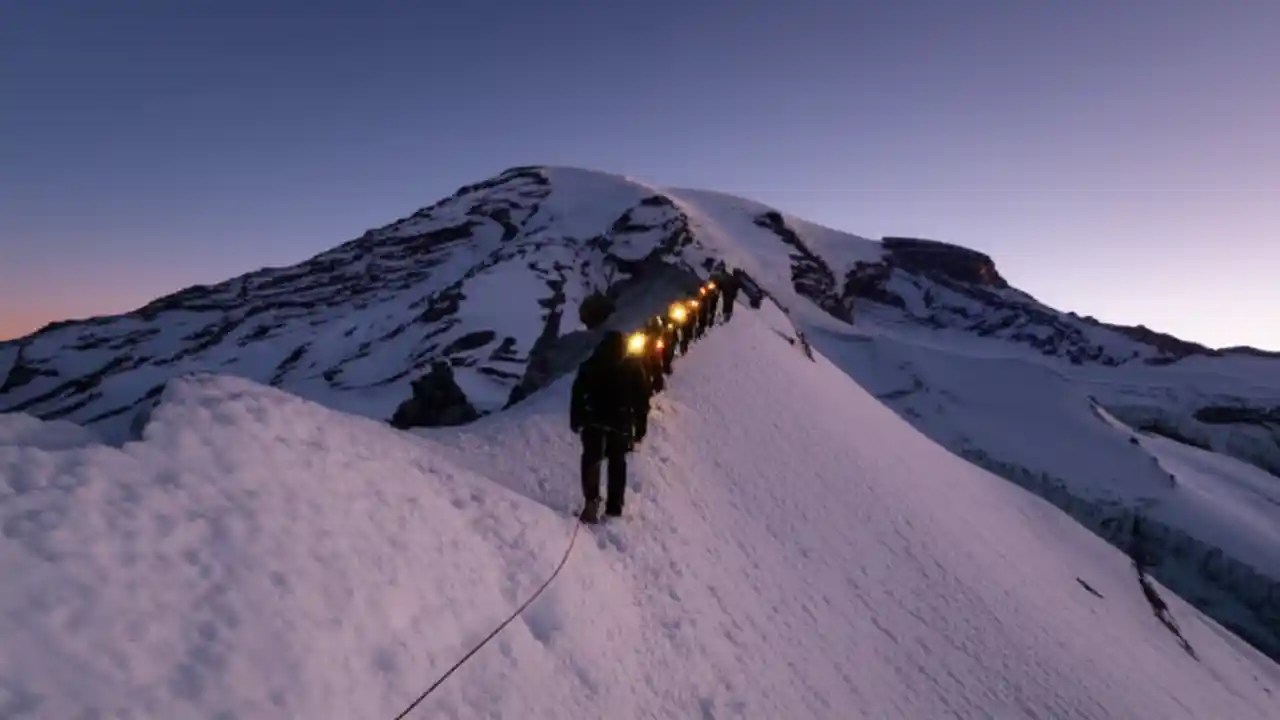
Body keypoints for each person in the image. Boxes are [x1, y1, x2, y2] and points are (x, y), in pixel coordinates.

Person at [570, 331, 649, 523]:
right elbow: (642, 398)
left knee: (591, 459)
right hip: (620, 423)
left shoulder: (590, 365)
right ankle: (614, 506)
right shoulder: (633, 366)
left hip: (593, 421)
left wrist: (576, 419)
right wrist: (640, 426)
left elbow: (578, 394)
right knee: (617, 462)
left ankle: (591, 501)